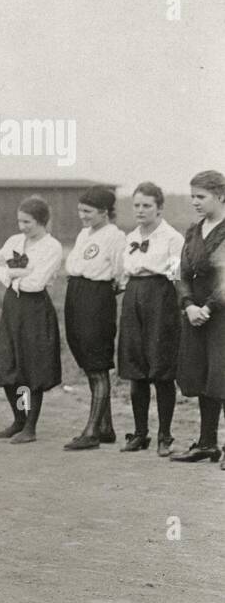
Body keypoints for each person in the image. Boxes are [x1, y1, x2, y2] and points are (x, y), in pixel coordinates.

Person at [0, 196, 63, 445]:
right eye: (20, 221)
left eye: (27, 222)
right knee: (9, 365)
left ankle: (30, 425)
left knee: (32, 368)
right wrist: (12, 273)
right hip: (12, 307)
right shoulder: (14, 241)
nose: (22, 227)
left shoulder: (51, 247)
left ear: (41, 222)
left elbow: (35, 283)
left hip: (35, 309)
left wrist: (9, 276)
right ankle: (18, 419)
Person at [117, 181, 184, 456]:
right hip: (134, 296)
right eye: (137, 205)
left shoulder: (172, 238)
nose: (141, 210)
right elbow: (126, 271)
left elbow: (176, 275)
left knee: (161, 368)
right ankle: (140, 433)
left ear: (159, 208)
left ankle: (164, 435)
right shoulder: (131, 236)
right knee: (136, 367)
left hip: (161, 296)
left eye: (147, 205)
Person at [62, 187, 125, 451]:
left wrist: (103, 294)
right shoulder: (83, 234)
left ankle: (91, 432)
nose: (82, 216)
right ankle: (106, 427)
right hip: (76, 293)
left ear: (104, 212)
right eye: (80, 211)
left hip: (97, 298)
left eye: (88, 212)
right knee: (87, 359)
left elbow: (121, 275)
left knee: (98, 364)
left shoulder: (116, 236)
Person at [169, 170, 225, 466]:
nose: (195, 202)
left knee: (222, 374)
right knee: (202, 374)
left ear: (221, 196)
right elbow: (180, 271)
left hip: (221, 314)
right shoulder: (192, 231)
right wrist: (189, 304)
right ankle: (207, 443)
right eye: (192, 196)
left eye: (201, 197)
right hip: (195, 314)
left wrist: (209, 307)